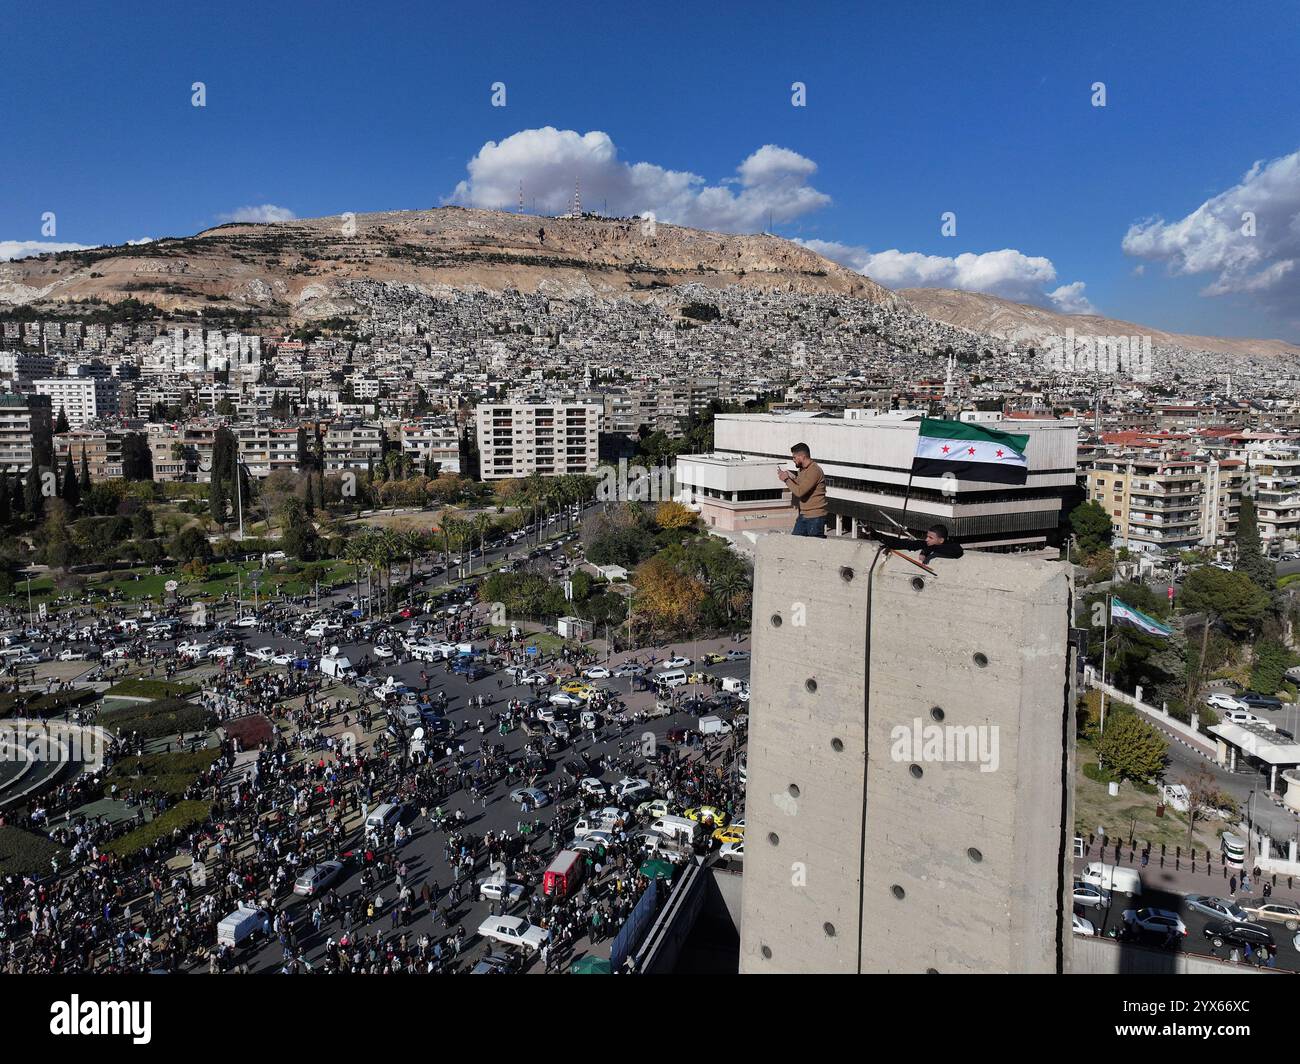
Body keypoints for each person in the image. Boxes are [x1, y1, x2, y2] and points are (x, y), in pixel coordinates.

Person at [777, 443, 827, 538]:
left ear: (802, 456)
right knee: (795, 543)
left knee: (813, 547)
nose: (793, 460)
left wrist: (786, 480)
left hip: (815, 516)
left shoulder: (814, 470)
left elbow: (800, 492)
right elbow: (801, 485)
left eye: (794, 457)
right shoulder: (802, 470)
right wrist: (792, 478)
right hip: (804, 514)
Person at [874, 523, 964, 564]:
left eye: (931, 538)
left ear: (941, 540)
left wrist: (927, 550)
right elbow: (904, 544)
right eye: (927, 536)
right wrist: (877, 535)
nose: (927, 539)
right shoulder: (927, 544)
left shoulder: (953, 545)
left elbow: (957, 552)